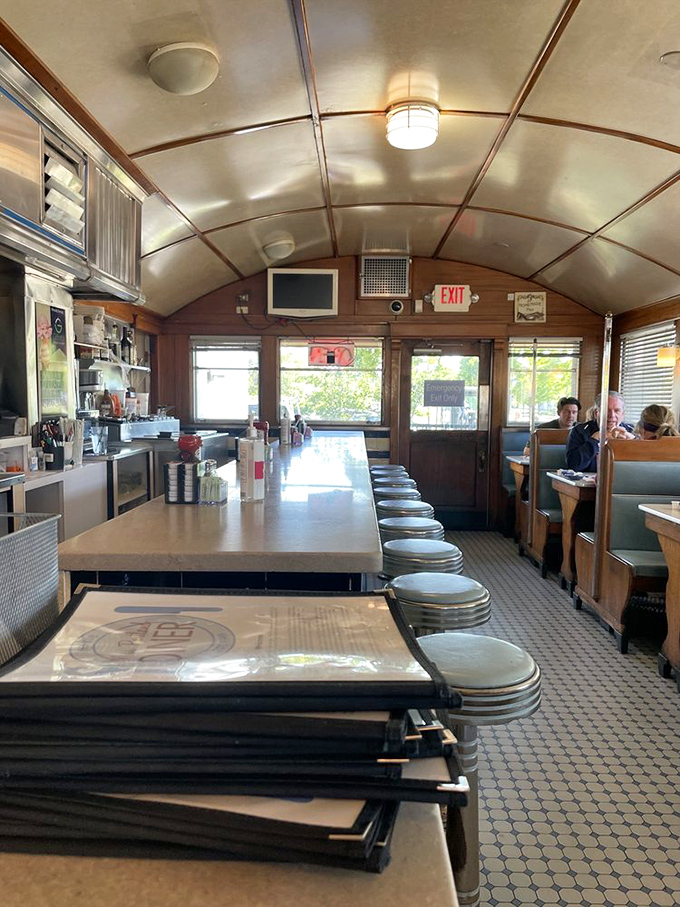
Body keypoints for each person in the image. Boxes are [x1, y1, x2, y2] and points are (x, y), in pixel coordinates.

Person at [565, 391, 635, 472]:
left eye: (617, 411)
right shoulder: (579, 431)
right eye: (607, 410)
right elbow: (573, 466)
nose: (612, 415)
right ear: (596, 413)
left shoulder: (631, 431)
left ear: (622, 414)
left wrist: (634, 442)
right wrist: (595, 439)